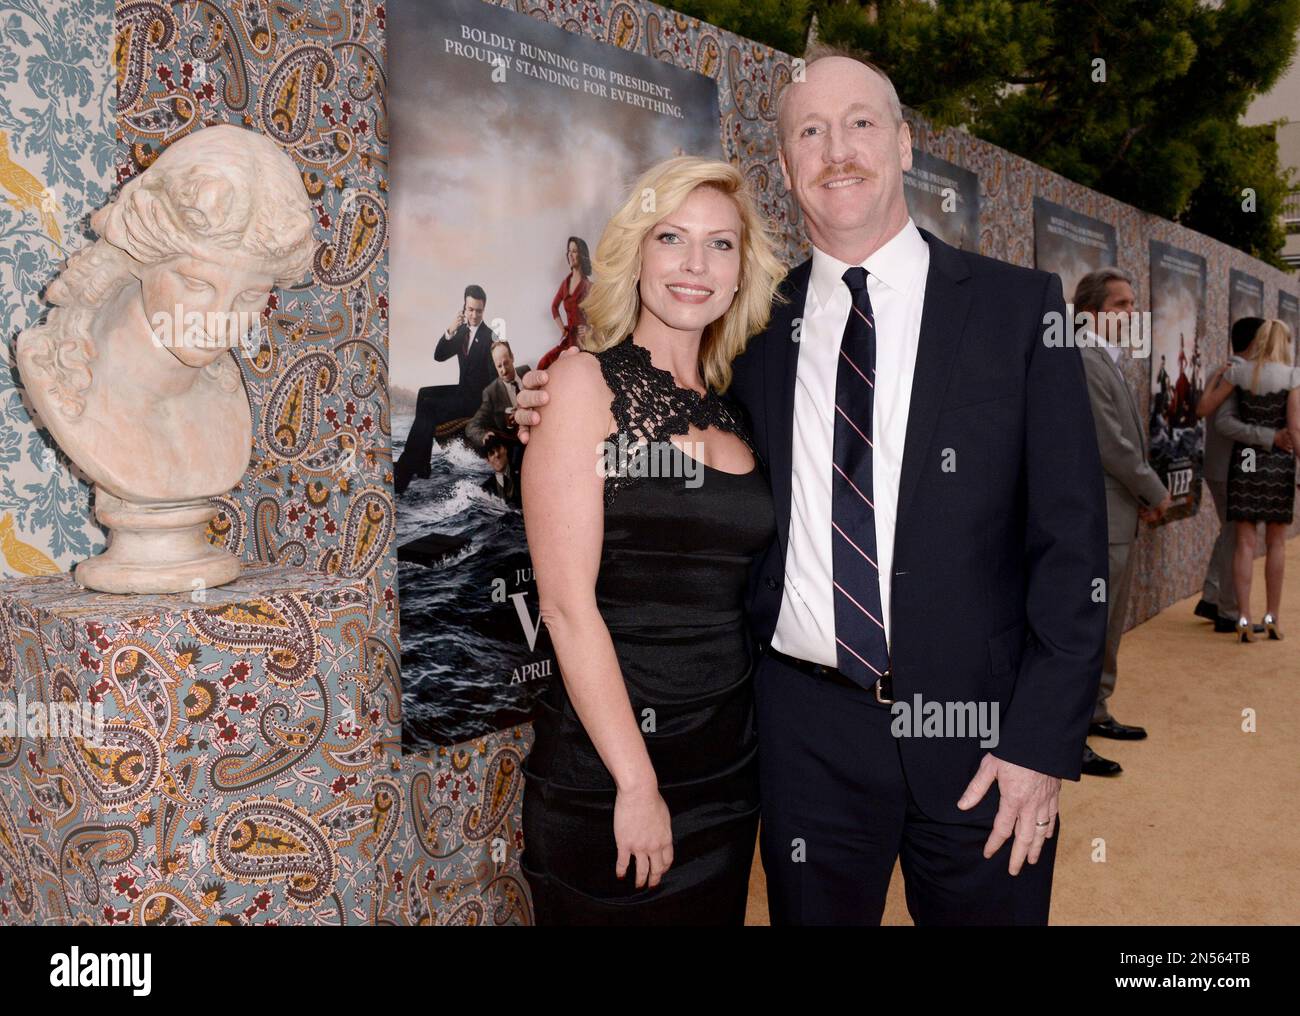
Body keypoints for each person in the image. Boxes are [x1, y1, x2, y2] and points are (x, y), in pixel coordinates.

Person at [519, 54, 1108, 926]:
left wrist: (1042, 741)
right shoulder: (756, 330)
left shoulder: (1021, 311)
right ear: (788, 169)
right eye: (809, 132)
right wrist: (540, 401)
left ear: (905, 145)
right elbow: (629, 428)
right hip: (801, 744)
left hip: (983, 736)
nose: (838, 149)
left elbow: (1074, 543)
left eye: (862, 123)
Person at [518, 156, 784, 924]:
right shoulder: (579, 385)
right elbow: (566, 610)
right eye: (672, 238)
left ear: (742, 272)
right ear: (636, 255)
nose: (695, 265)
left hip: (728, 768)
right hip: (611, 774)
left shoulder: (739, 408)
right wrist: (636, 784)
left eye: (721, 245)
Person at [1074, 268, 1170, 778]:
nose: (1131, 314)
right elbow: (1111, 444)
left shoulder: (1105, 358)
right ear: (1091, 313)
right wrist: (1153, 492)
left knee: (1109, 626)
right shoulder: (1086, 358)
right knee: (1090, 629)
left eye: (1131, 304)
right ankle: (1070, 738)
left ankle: (1096, 713)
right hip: (1100, 519)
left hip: (1118, 516)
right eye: (1121, 305)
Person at [1196, 319, 1300, 642]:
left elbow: (1203, 410)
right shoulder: (1288, 375)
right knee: (1272, 542)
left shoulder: (1238, 372)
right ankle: (1260, 615)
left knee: (1241, 541)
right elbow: (1294, 429)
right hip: (1272, 461)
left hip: (1247, 461)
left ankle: (1237, 614)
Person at [434, 284, 497, 415]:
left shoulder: (491, 337)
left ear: (484, 309)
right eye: (470, 309)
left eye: (479, 311)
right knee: (423, 393)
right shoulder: (461, 331)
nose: (474, 315)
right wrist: (451, 329)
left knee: (428, 405)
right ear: (464, 308)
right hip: (461, 393)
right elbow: (439, 356)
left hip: (477, 402)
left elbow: (495, 380)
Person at [465, 340, 531, 457]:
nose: (503, 371)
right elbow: (471, 427)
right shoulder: (491, 393)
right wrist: (484, 436)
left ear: (512, 358)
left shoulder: (526, 371)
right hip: (517, 448)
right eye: (499, 366)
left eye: (506, 363)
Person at [537, 237, 591, 370]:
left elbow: (601, 315)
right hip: (568, 339)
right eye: (569, 251)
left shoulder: (589, 286)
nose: (570, 255)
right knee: (544, 363)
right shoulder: (565, 284)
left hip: (583, 343)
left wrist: (590, 329)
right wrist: (563, 329)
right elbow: (554, 307)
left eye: (574, 251)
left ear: (582, 255)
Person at [479, 434, 521, 508]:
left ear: (505, 449)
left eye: (498, 448)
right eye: (492, 453)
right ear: (488, 461)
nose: (497, 454)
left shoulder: (522, 472)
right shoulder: (486, 488)